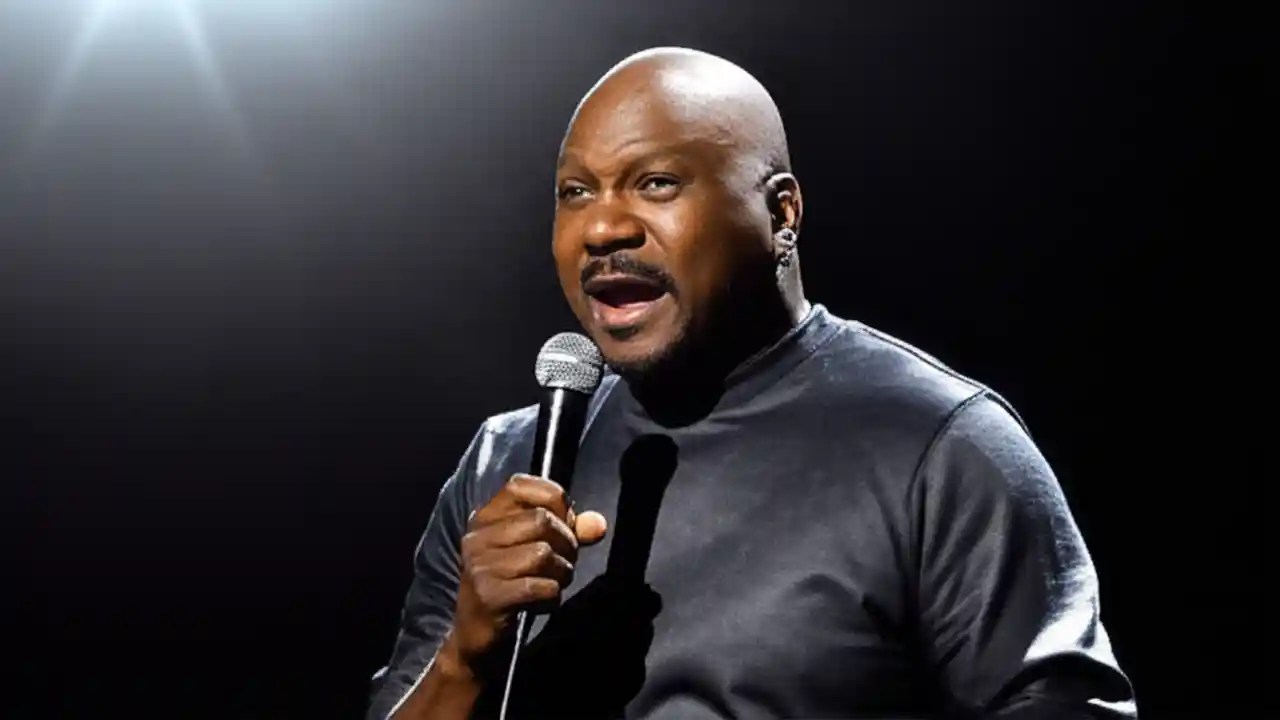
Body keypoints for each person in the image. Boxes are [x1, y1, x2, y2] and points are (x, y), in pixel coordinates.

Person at [366, 47, 1139, 720]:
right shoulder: (507, 461)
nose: (602, 229)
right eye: (576, 192)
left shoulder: (938, 445)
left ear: (781, 215)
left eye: (657, 183)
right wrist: (465, 658)